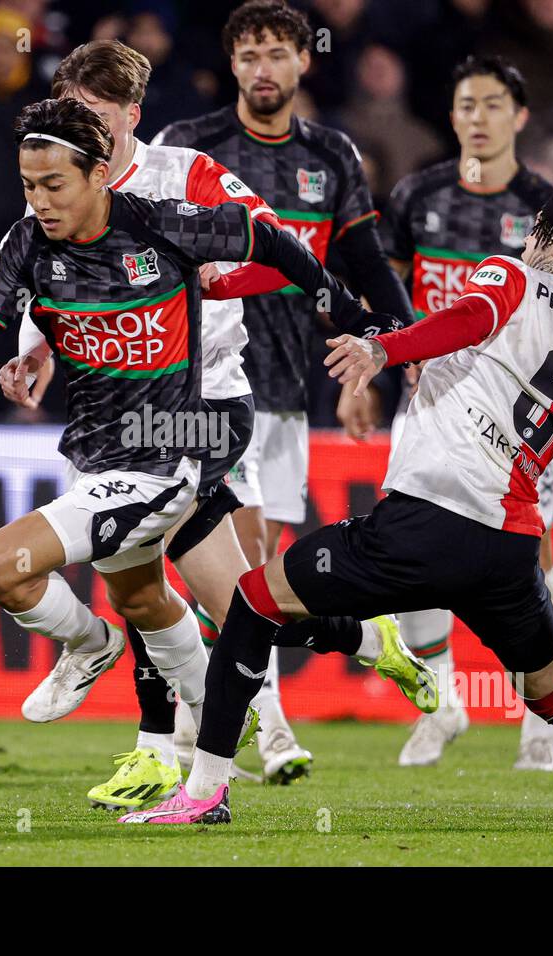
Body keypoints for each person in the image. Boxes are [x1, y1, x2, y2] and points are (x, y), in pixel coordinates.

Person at [119, 187, 553, 835]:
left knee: (256, 601)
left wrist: (385, 349)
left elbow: (467, 321)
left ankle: (207, 790)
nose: (524, 242)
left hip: (425, 523)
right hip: (510, 554)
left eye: (535, 231)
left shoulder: (511, 275)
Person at [0, 97, 401, 791]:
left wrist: (346, 310)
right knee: (164, 604)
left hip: (173, 451)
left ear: (99, 175)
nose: (39, 201)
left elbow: (274, 242)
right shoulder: (26, 242)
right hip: (100, 454)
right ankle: (324, 659)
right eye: (28, 185)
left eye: (54, 185)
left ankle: (87, 646)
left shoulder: (165, 225)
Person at [0, 40, 294, 804]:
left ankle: (175, 739)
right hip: (111, 408)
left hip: (203, 405)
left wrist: (227, 272)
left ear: (132, 117)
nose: (78, 127)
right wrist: (36, 353)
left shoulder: (182, 173)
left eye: (94, 115)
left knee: (160, 576)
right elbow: (53, 290)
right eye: (70, 112)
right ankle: (179, 740)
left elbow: (271, 239)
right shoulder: (57, 184)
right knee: (157, 592)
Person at [152, 0, 414, 781]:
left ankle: (343, 657)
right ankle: (269, 733)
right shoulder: (187, 147)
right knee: (241, 561)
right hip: (202, 388)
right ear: (231, 64)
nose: (262, 69)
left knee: (262, 578)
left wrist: (395, 349)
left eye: (277, 53)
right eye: (249, 54)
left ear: (305, 61)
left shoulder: (331, 155)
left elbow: (364, 265)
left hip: (290, 394)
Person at [354, 54, 553, 771]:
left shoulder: (547, 208)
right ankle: (441, 704)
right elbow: (385, 293)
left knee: (534, 559)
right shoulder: (417, 194)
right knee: (411, 552)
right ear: (451, 117)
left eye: (493, 105)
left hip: (520, 414)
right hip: (431, 403)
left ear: (520, 116)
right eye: (466, 105)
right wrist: (366, 377)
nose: (478, 118)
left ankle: (542, 718)